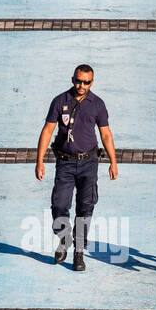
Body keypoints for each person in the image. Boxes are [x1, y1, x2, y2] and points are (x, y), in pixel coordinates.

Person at [35, 65, 118, 271]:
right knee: (59, 205)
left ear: (92, 82)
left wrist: (113, 162)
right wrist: (39, 161)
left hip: (89, 163)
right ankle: (64, 238)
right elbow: (47, 131)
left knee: (85, 207)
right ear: (73, 79)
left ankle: (79, 252)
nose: (81, 85)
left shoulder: (97, 104)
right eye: (78, 81)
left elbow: (106, 134)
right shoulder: (59, 101)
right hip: (65, 162)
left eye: (86, 82)